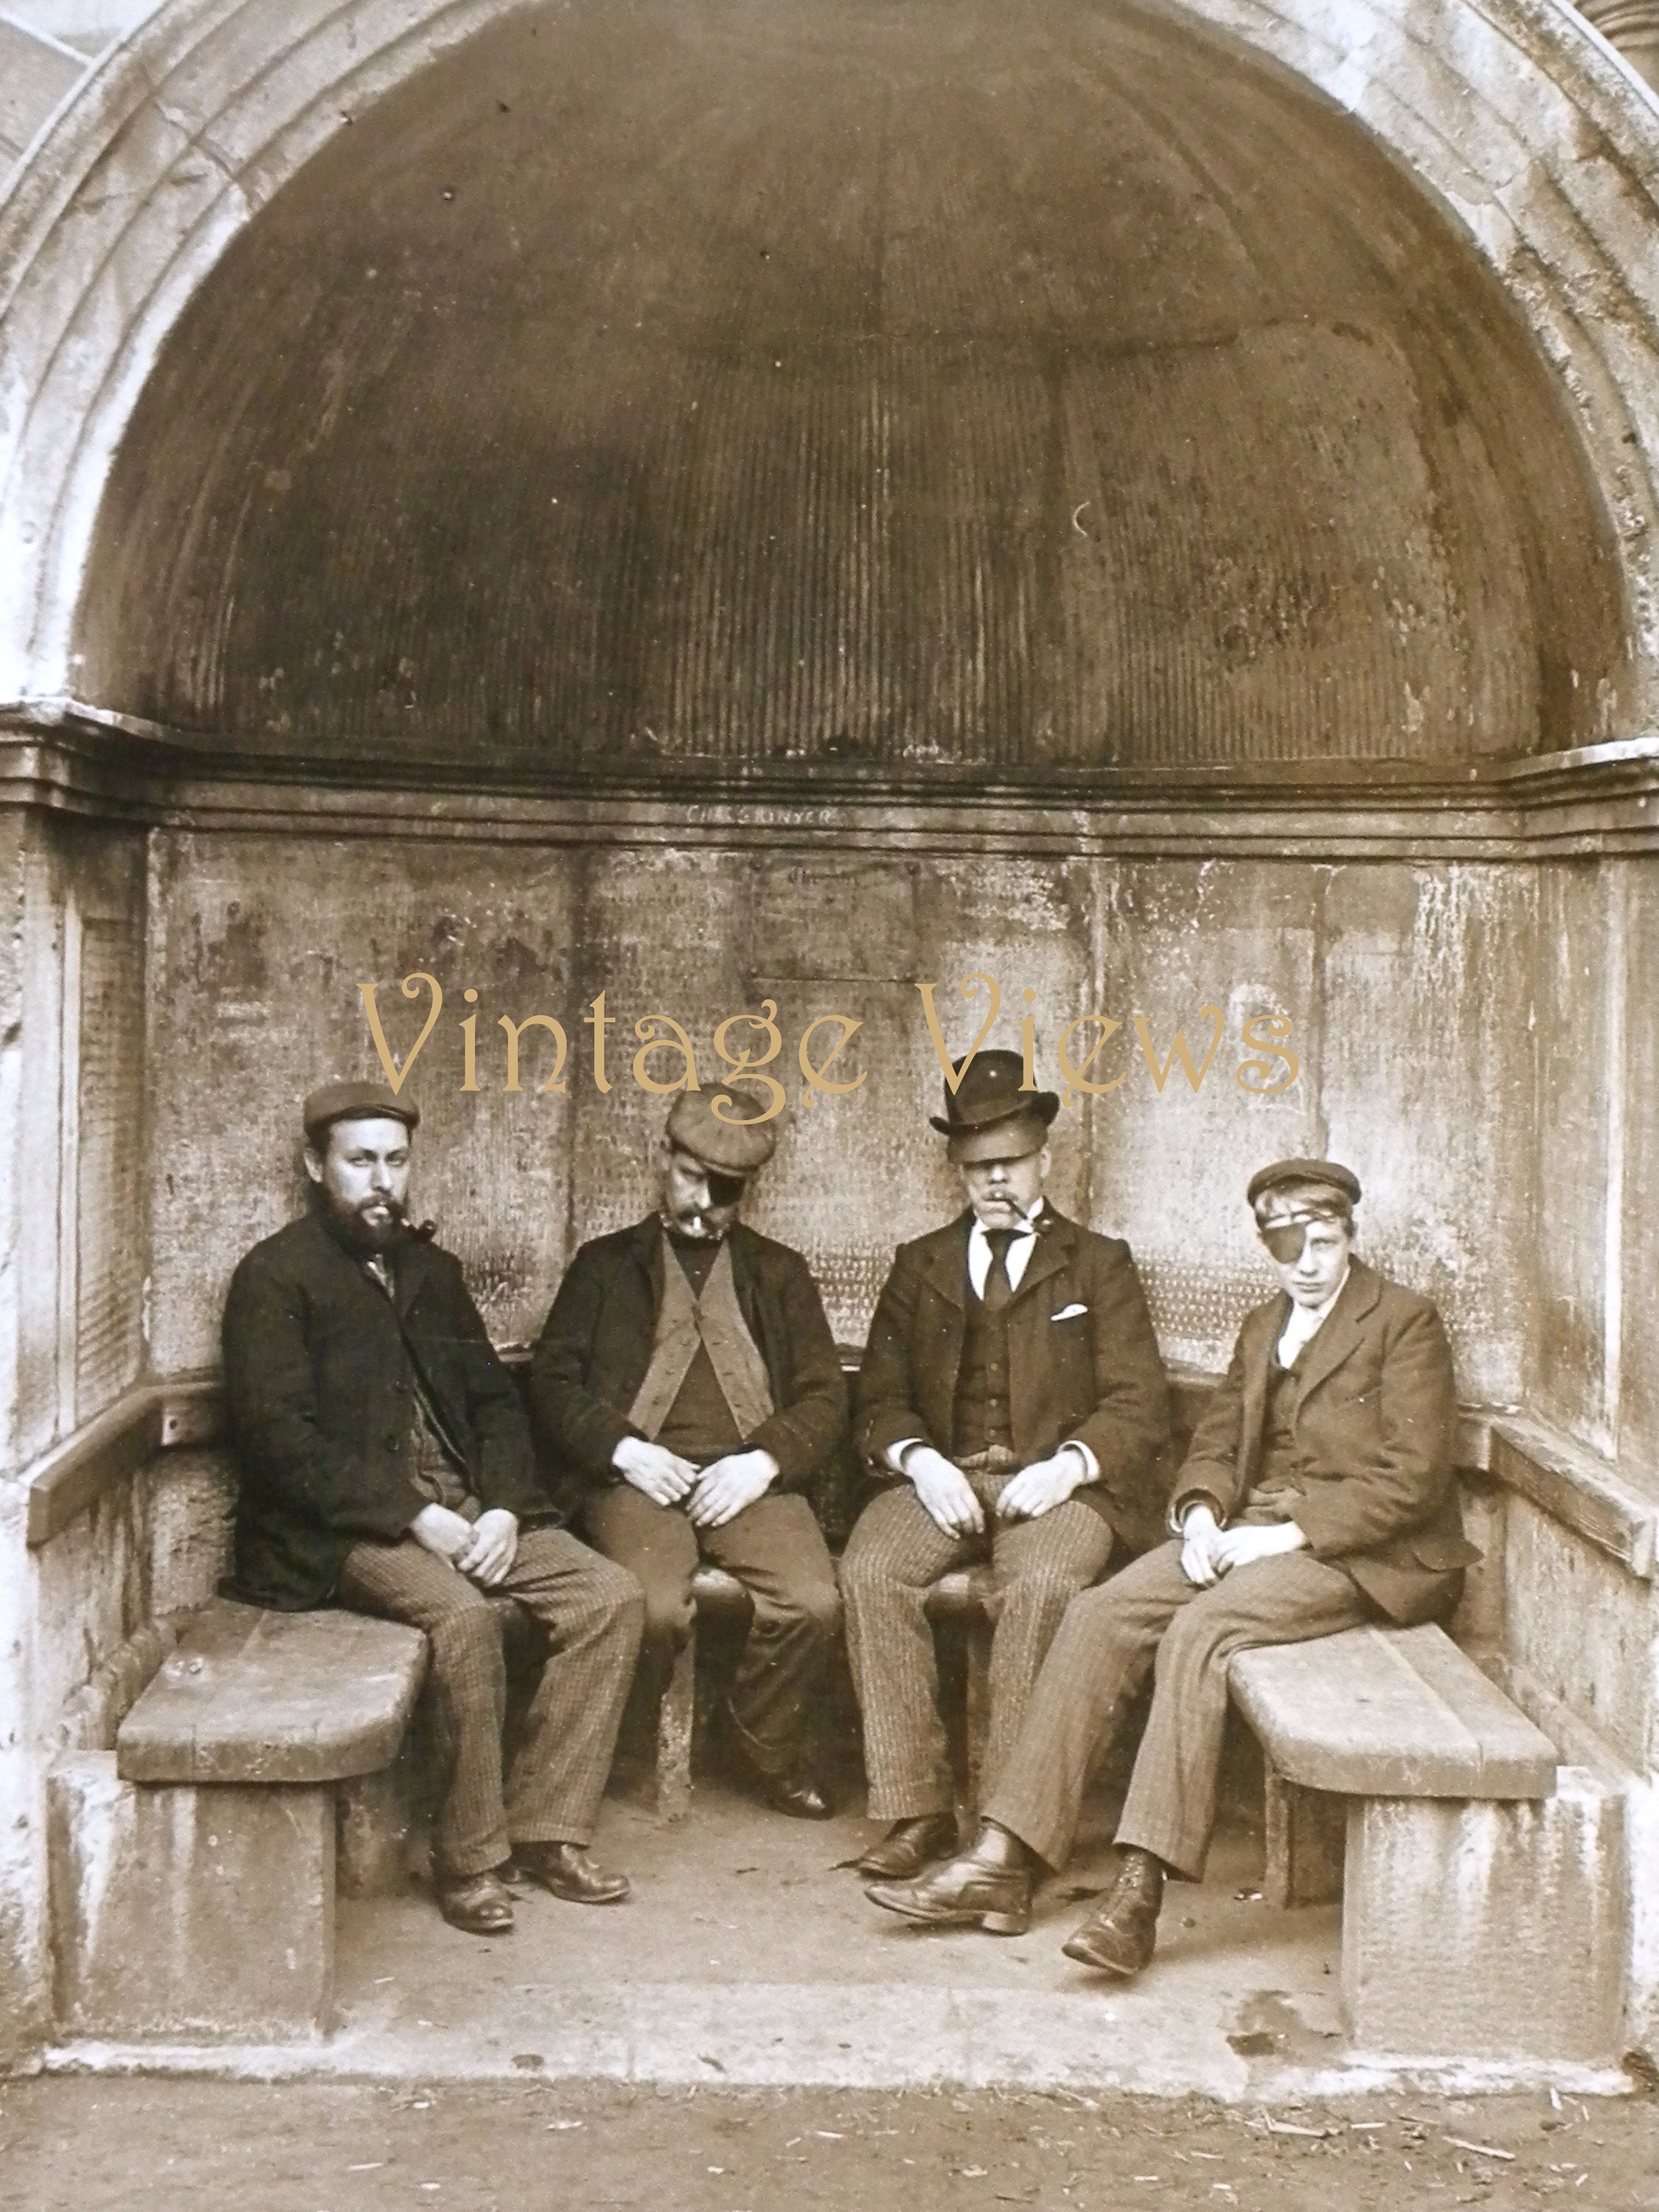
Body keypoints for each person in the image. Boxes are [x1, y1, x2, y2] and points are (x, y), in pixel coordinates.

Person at [866, 1156, 1480, 1959]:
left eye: (1323, 1244)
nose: (1305, 1265)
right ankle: (1002, 1859)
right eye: (1287, 1247)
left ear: (1349, 1237)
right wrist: (1199, 1517)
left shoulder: (1404, 1321)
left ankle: (1138, 1893)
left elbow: (1414, 1477)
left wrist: (1286, 1535)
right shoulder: (1264, 1326)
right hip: (1246, 1532)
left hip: (1359, 1553)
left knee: (1201, 1631)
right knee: (1100, 1612)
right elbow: (1217, 1444)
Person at [223, 1080, 644, 1938]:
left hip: (465, 1508)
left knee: (610, 1597)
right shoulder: (275, 1277)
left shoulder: (431, 1273)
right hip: (343, 1532)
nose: (382, 1182)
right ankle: (472, 1857)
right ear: (315, 1166)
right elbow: (281, 1444)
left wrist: (503, 1511)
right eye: (360, 1161)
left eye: (396, 1161)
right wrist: (417, 1517)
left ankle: (550, 1829)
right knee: (464, 1619)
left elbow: (495, 1405)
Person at [840, 1049, 1172, 1885]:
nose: (995, 1181)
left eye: (1010, 1163)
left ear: (1043, 1161)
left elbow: (1138, 1403)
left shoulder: (1099, 1263)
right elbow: (878, 1396)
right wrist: (921, 1461)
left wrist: (1070, 1466)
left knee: (1044, 1587)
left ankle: (1006, 1829)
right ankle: (916, 1809)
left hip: (1055, 1486)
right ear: (957, 1170)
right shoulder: (920, 1263)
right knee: (872, 1570)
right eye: (977, 1166)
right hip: (944, 1477)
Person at [530, 1087, 846, 1817]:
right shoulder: (604, 1266)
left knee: (813, 1602)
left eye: (725, 1190)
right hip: (636, 1481)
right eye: (689, 1178)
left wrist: (762, 1463)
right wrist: (624, 1452)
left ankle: (758, 1741)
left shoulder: (780, 1272)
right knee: (651, 1611)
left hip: (746, 1479)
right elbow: (551, 1382)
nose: (703, 1202)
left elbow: (825, 1395)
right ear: (663, 1157)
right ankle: (632, 1747)